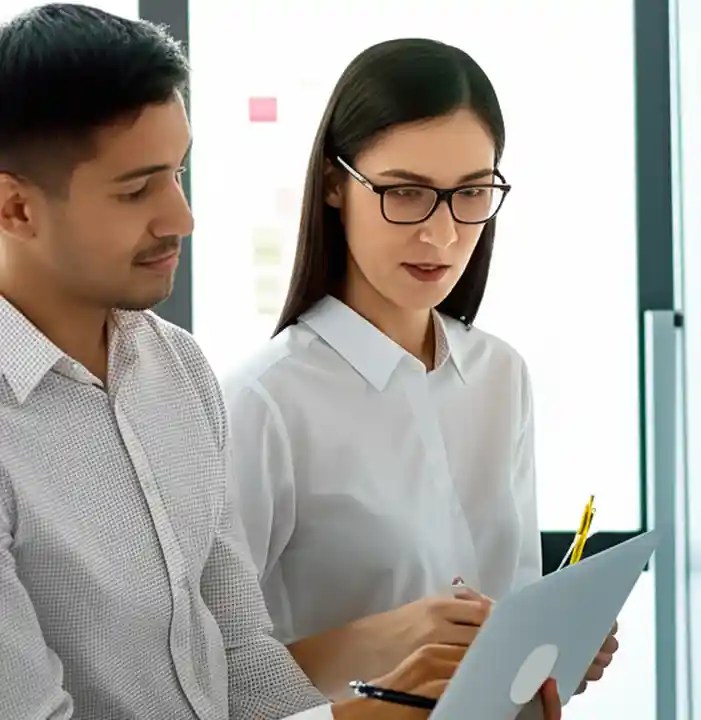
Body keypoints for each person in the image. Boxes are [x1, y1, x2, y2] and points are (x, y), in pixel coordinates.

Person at [0, 5, 561, 719]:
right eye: (138, 189)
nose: (183, 217)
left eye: (179, 174)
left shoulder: (177, 371)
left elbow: (237, 660)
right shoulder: (258, 395)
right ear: (15, 209)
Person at [219, 36, 618, 700]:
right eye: (404, 193)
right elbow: (211, 676)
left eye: (471, 193)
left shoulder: (501, 376)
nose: (440, 235)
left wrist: (554, 649)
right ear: (333, 186)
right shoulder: (265, 402)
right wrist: (395, 637)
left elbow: (507, 637)